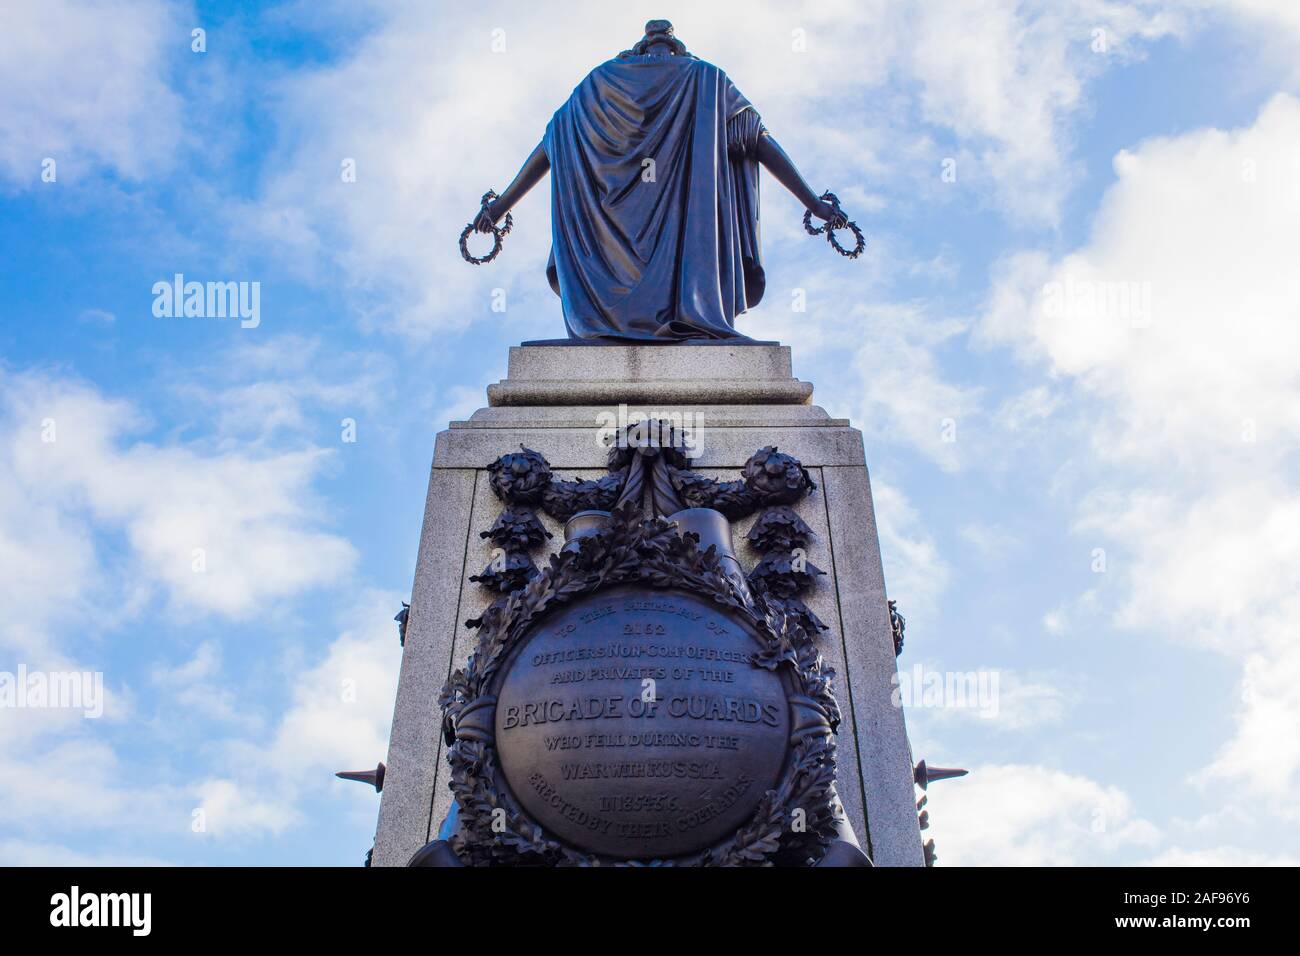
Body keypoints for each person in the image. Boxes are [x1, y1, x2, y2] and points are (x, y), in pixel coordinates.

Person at [471, 19, 849, 342]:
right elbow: (757, 141)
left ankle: (621, 322)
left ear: (639, 47)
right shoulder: (706, 79)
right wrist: (813, 203)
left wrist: (501, 205)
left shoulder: (598, 85)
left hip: (603, 282)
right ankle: (687, 317)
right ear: (677, 46)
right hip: (689, 273)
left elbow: (551, 147)